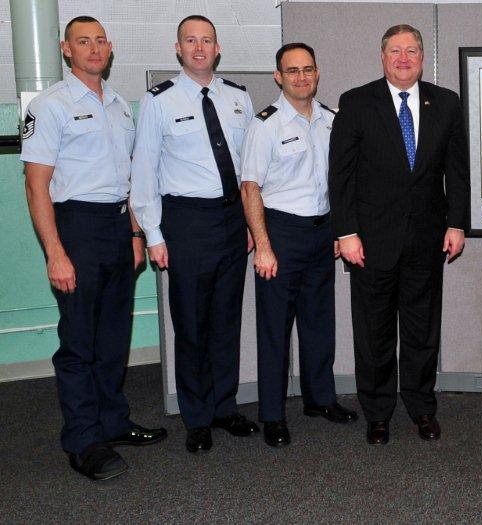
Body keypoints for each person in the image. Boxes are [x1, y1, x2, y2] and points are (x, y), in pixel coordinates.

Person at [21, 16, 166, 480]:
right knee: (79, 342)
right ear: (66, 49)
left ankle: (112, 421)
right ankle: (83, 441)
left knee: (112, 338)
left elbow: (127, 178)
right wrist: (56, 252)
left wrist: (135, 234)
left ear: (110, 47)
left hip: (117, 226)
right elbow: (36, 186)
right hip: (76, 227)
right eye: (83, 41)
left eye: (100, 40)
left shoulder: (122, 105)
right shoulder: (50, 106)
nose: (94, 48)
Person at [328, 24, 469, 446]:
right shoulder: (355, 103)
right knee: (374, 333)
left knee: (422, 330)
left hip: (427, 239)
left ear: (422, 58)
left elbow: (456, 169)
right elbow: (341, 176)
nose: (403, 58)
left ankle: (422, 408)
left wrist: (457, 223)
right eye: (395, 51)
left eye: (411, 51)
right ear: (382, 56)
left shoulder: (445, 103)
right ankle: (378, 412)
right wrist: (346, 232)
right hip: (369, 242)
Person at [130, 15, 257, 453]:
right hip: (185, 222)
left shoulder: (239, 97)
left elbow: (249, 169)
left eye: (207, 41)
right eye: (191, 40)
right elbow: (143, 172)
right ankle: (197, 416)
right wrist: (154, 235)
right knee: (191, 325)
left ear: (217, 48)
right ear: (178, 48)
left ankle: (224, 407)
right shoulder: (158, 101)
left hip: (231, 220)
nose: (200, 48)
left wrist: (248, 223)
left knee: (226, 320)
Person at [240, 43, 358, 448]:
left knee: (318, 322)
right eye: (292, 71)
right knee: (275, 329)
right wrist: (263, 246)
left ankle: (319, 399)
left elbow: (340, 183)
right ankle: (272, 414)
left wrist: (340, 232)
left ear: (317, 72)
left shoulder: (330, 119)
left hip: (322, 233)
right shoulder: (265, 125)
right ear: (279, 76)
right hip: (281, 234)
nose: (301, 77)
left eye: (308, 69)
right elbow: (251, 188)